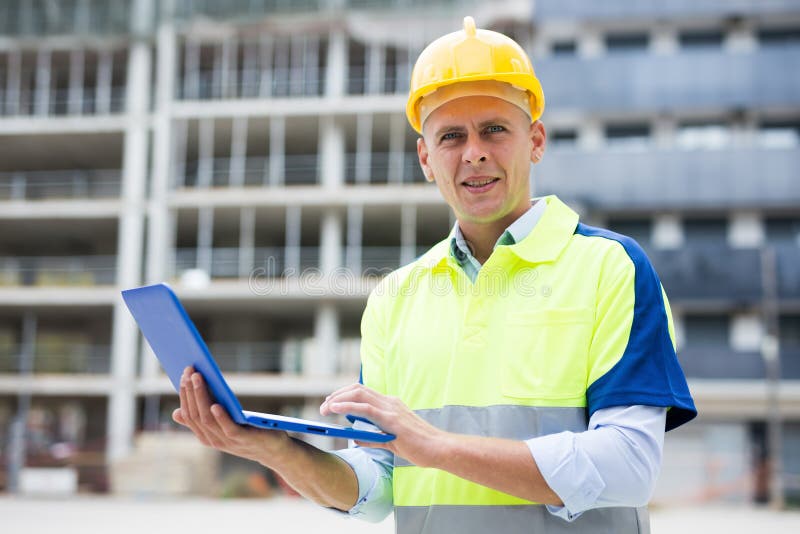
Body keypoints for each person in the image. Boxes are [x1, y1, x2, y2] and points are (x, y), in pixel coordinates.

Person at [173, 16, 696, 533]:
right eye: (451, 136)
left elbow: (630, 466)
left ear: (536, 140)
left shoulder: (611, 267)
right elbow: (378, 487)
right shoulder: (395, 297)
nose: (474, 153)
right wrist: (274, 450)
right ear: (426, 158)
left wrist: (436, 447)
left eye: (494, 129)